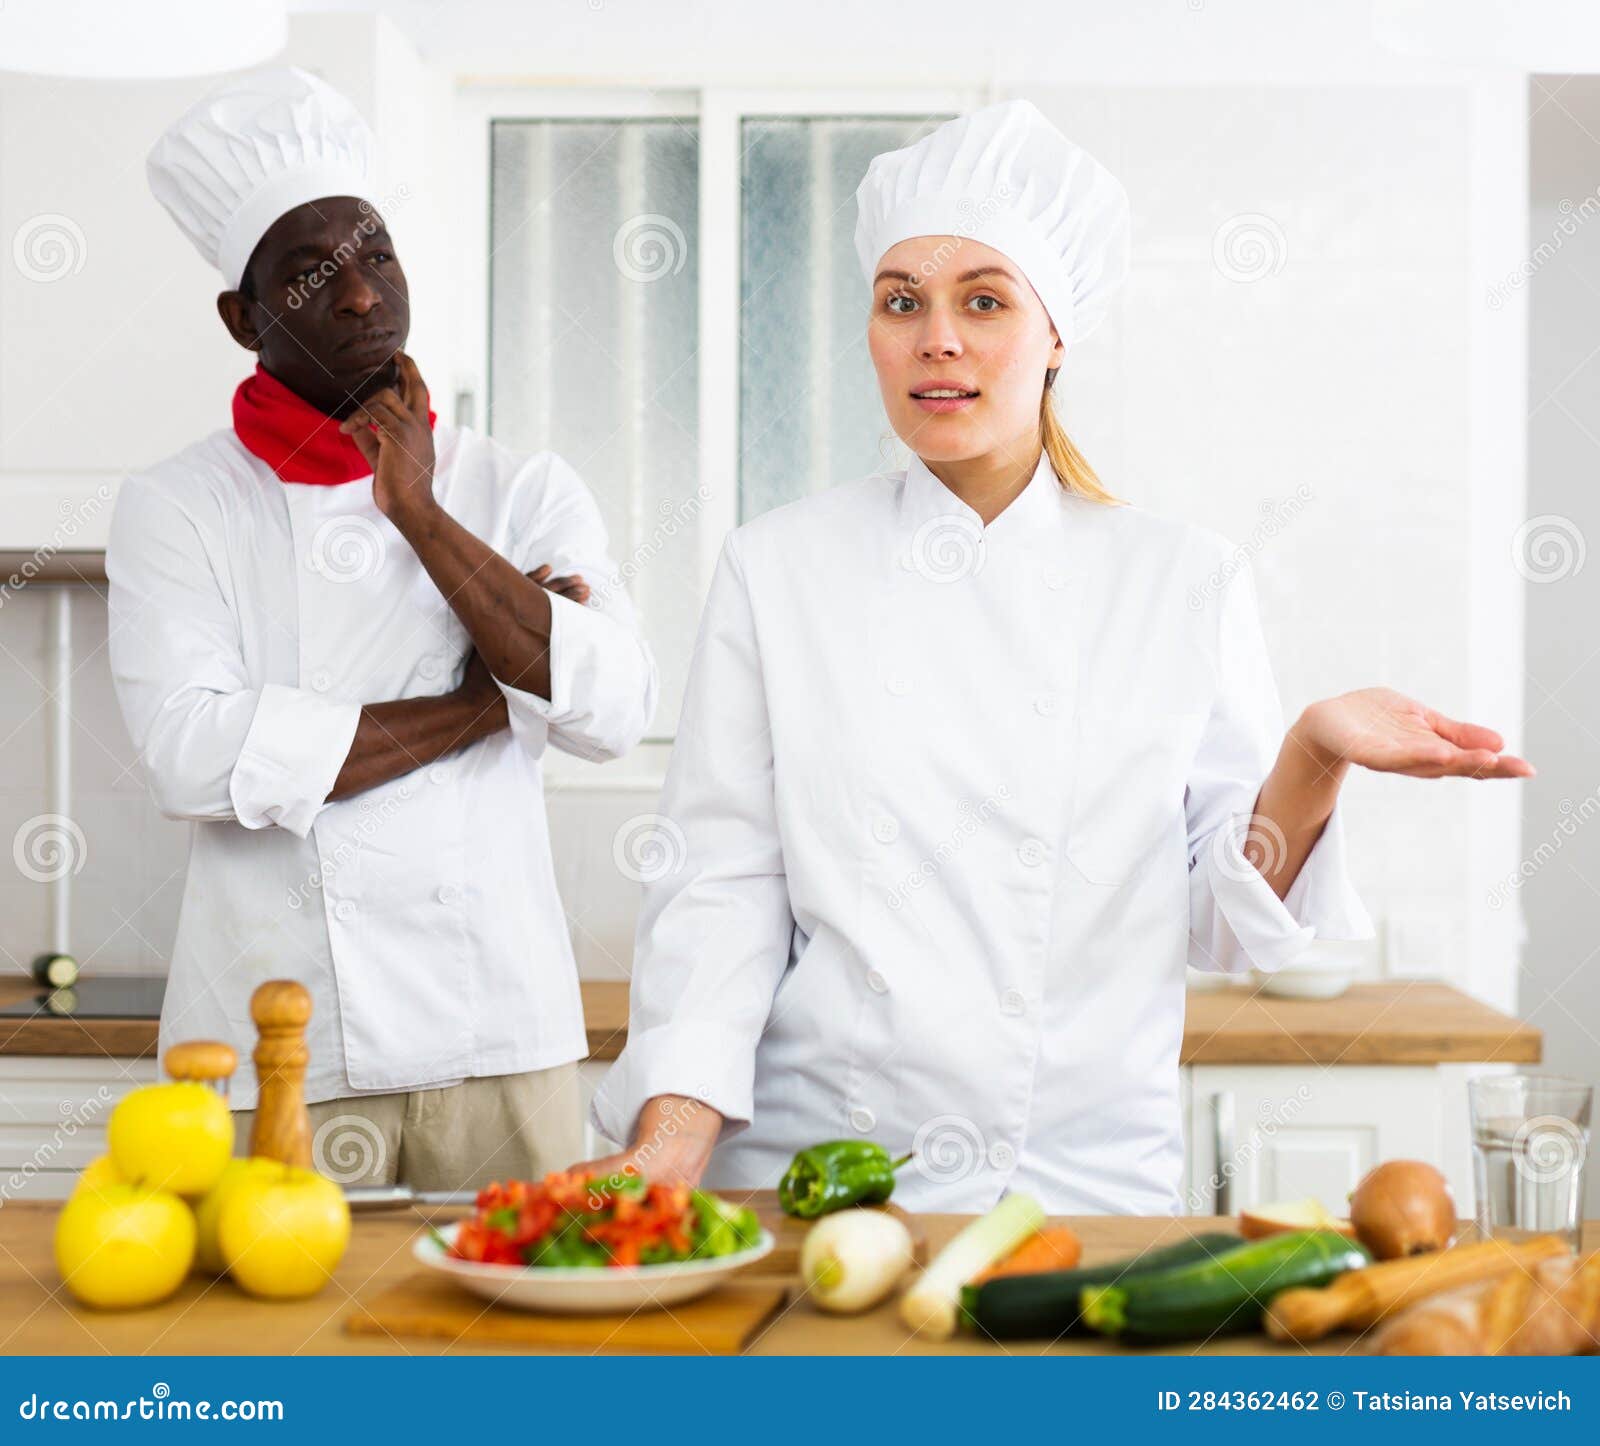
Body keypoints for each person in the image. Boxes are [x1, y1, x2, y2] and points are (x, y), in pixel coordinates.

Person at [582, 100, 1532, 1214]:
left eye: (983, 300)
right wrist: (674, 1139)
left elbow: (1223, 921)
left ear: (1056, 334)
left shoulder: (1181, 580)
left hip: (1074, 1186)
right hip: (813, 1171)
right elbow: (720, 884)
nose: (937, 337)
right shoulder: (775, 568)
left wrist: (1312, 756)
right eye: (902, 303)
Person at [108, 67, 658, 1189]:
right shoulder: (179, 505)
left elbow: (612, 705)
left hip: (500, 1029)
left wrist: (415, 507)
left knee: (524, 1352)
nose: (361, 296)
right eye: (312, 273)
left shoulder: (519, 487)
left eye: (376, 255)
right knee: (289, 1354)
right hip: (281, 1039)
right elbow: (195, 756)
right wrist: (488, 698)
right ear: (242, 316)